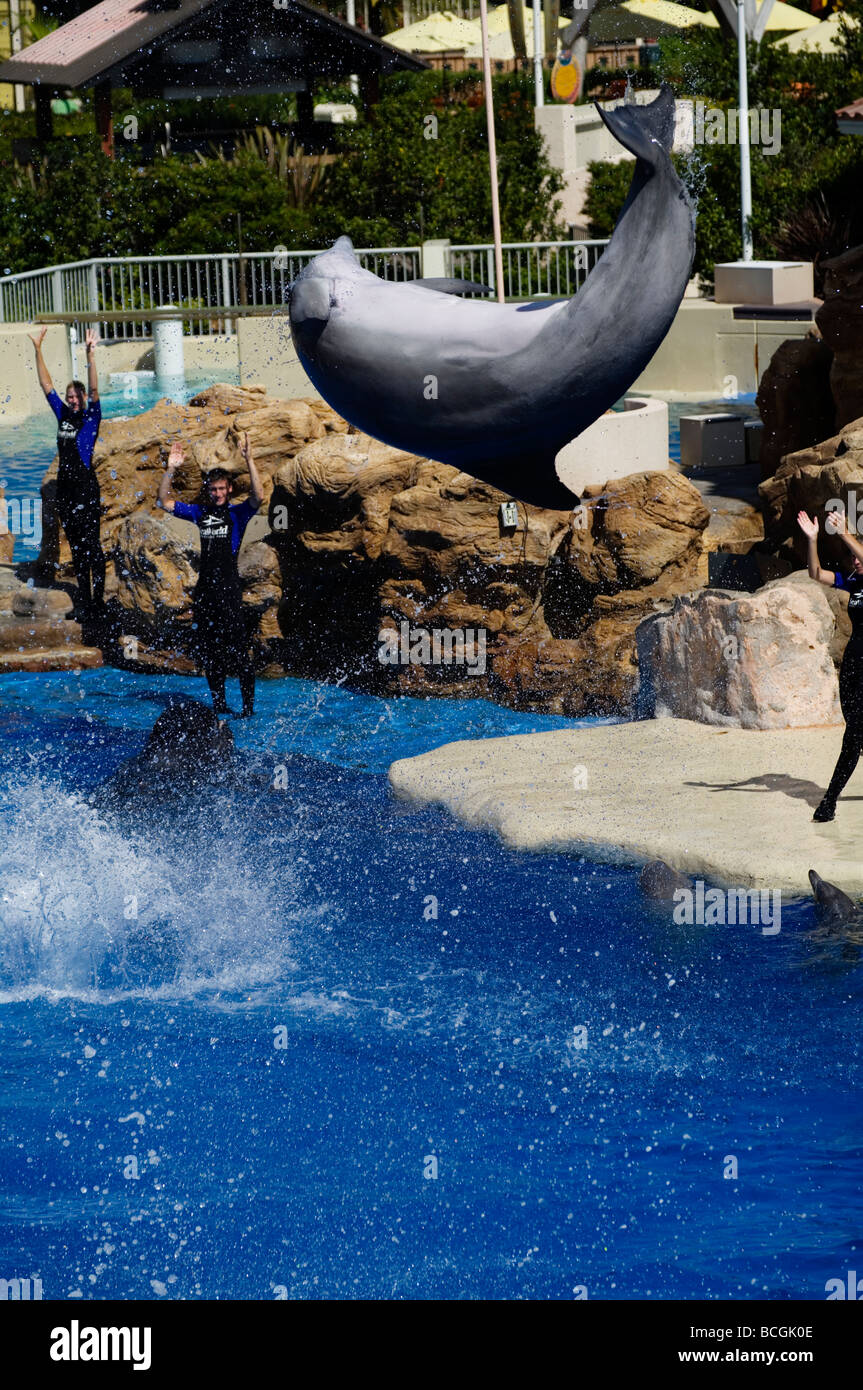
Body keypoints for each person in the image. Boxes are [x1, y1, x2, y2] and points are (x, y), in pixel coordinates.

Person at [158, 433, 263, 718]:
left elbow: (259, 496)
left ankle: (248, 710)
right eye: (213, 489)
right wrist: (171, 469)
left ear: (229, 489)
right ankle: (219, 706)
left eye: (221, 489)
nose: (217, 493)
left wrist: (250, 460)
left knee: (240, 653)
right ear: (208, 490)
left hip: (229, 592)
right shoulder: (199, 512)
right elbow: (164, 501)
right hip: (206, 593)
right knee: (212, 653)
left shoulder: (238, 514)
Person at [29, 325, 105, 616]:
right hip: (66, 491)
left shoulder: (91, 416)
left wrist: (90, 355)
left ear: (83, 397)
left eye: (75, 396)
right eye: (69, 396)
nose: (71, 400)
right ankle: (84, 601)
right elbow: (45, 384)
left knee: (92, 547)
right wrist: (38, 348)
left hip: (86, 489)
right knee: (77, 548)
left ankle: (98, 602)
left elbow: (95, 389)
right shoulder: (62, 414)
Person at [798, 505, 863, 821]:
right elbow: (816, 574)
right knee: (855, 726)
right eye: (852, 557)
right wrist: (813, 539)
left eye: (857, 555)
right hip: (853, 664)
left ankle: (829, 802)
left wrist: (844, 532)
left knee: (853, 736)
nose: (854, 561)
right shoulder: (854, 582)